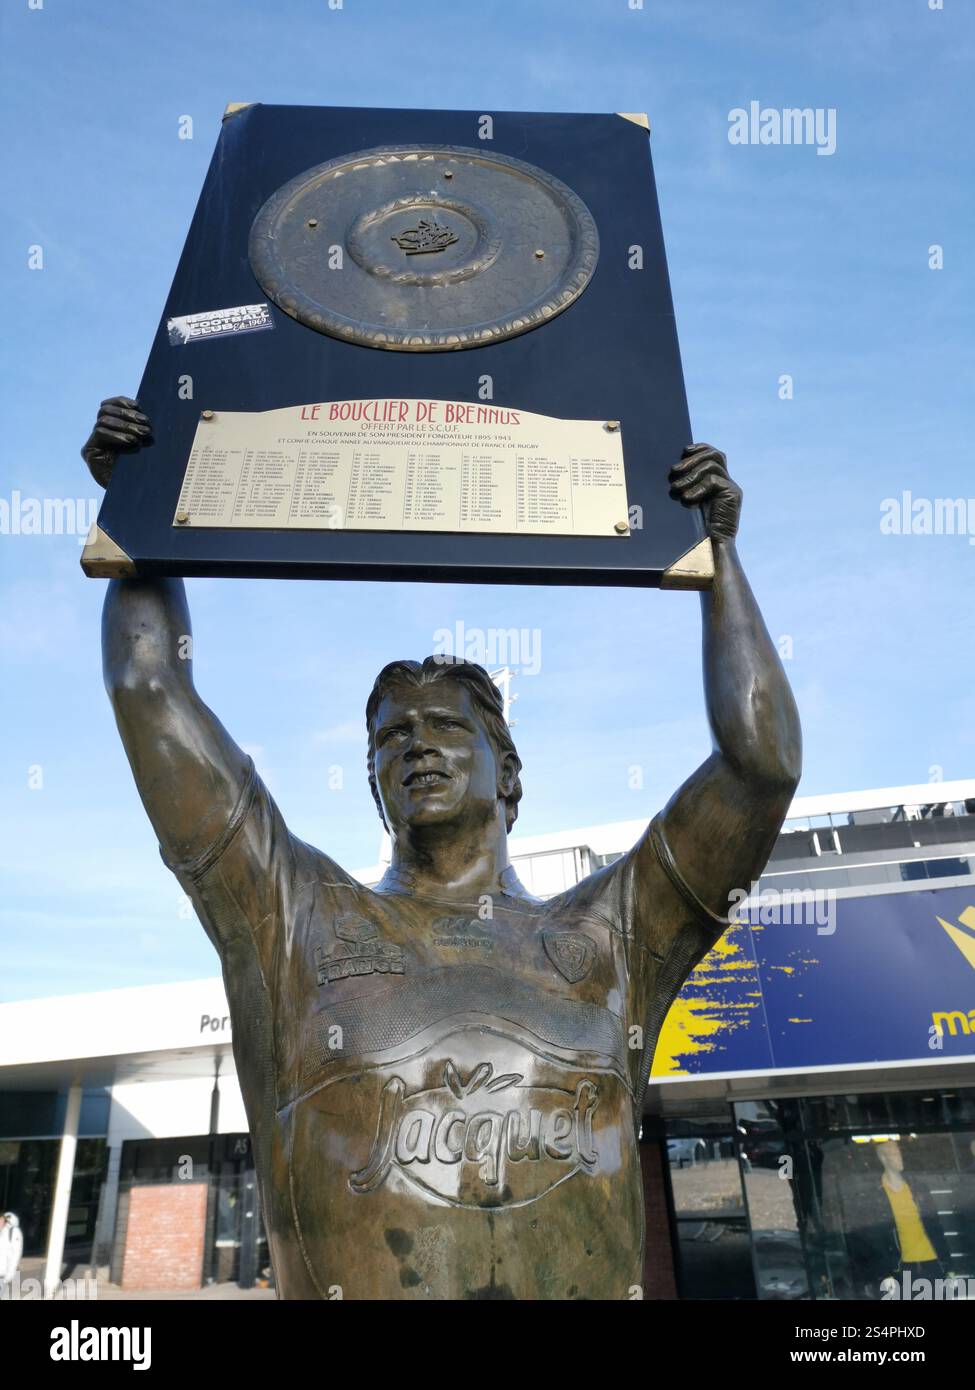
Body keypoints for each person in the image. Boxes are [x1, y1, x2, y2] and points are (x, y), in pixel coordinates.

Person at [81, 397, 801, 1300]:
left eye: (443, 728)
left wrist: (716, 561)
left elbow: (760, 762)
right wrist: (140, 511)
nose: (413, 746)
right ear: (375, 784)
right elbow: (148, 685)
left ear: (507, 771)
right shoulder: (295, 915)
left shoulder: (615, 932)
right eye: (388, 738)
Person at [0, 1213, 23, 1296]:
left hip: (3, 1273)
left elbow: (17, 1253)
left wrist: (11, 1272)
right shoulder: (2, 1233)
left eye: (2, 1220)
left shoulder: (14, 1232)